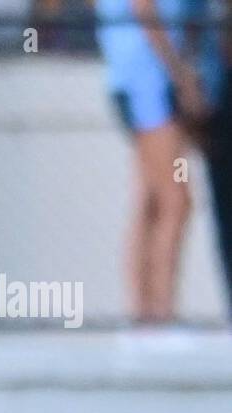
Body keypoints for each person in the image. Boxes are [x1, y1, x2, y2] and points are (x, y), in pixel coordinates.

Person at [97, 0, 226, 323]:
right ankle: (160, 315)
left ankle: (144, 315)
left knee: (150, 198)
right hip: (148, 86)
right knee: (176, 200)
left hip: (147, 81)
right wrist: (181, 77)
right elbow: (144, 10)